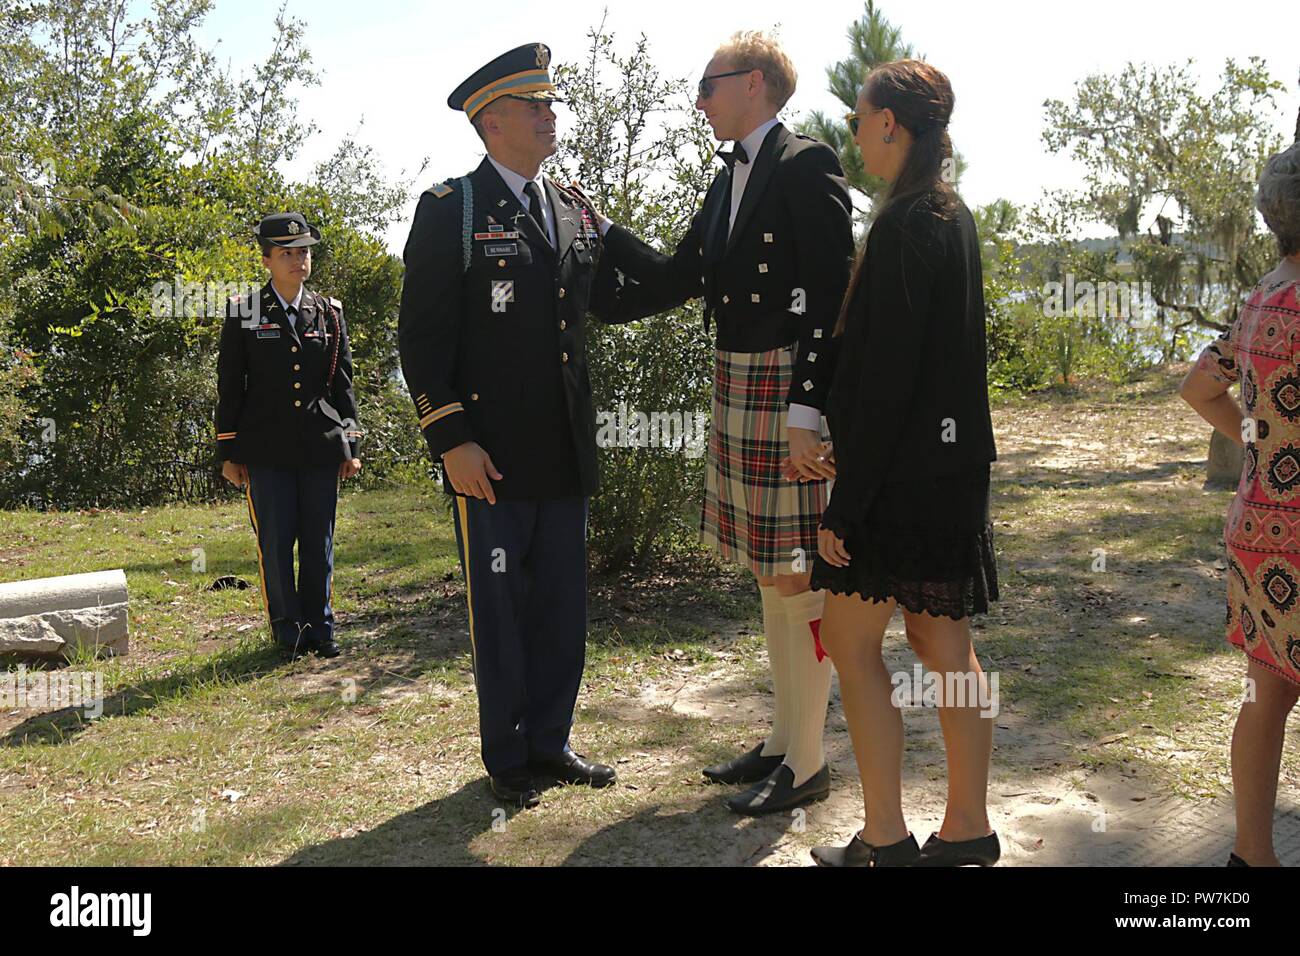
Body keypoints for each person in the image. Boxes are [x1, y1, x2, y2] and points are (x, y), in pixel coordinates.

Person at [586, 30, 854, 816]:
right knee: (771, 572)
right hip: (738, 374)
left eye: (707, 85)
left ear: (755, 85)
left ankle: (807, 765)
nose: (698, 100)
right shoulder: (730, 176)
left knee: (797, 572)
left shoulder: (808, 164)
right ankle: (782, 738)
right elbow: (680, 273)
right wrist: (599, 245)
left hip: (786, 385)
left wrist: (810, 408)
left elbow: (829, 296)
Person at [398, 43, 628, 810]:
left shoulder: (568, 206)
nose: (550, 115)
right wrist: (450, 439)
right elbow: (421, 341)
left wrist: (713, 260)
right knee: (499, 611)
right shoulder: (452, 209)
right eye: (535, 106)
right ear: (492, 121)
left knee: (562, 606)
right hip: (488, 460)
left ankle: (551, 741)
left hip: (562, 452)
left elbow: (617, 297)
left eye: (550, 104)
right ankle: (508, 755)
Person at [806, 60, 1000, 867]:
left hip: (897, 485)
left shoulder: (905, 223)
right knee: (947, 649)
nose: (854, 132)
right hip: (949, 478)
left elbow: (886, 383)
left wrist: (845, 506)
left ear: (892, 124)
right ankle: (967, 828)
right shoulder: (949, 215)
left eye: (859, 117)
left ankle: (884, 838)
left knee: (852, 645)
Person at [1181, 133, 1300, 867]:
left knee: (1266, 693)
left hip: (1259, 524)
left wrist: (1259, 443)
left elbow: (1200, 387)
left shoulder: (1261, 298)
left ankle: (1251, 856)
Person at [216, 212, 364, 660]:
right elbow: (230, 387)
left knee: (319, 540)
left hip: (320, 445)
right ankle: (288, 633)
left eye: (303, 252)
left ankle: (321, 628)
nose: (298, 261)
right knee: (276, 543)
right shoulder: (244, 313)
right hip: (265, 450)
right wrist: (228, 451)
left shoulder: (329, 313)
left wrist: (351, 444)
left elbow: (344, 385)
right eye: (287, 254)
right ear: (266, 260)